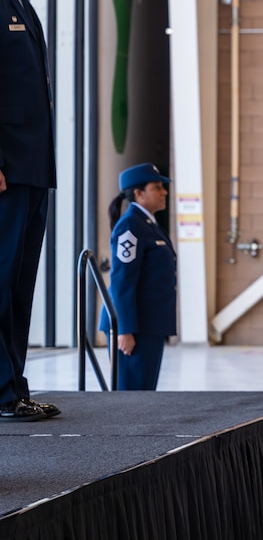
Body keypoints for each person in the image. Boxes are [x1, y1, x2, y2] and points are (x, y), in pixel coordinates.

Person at [0, 0, 58, 422]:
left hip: (31, 170)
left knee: (19, 284)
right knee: (0, 281)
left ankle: (12, 388)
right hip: (6, 171)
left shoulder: (20, 3)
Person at [99, 163, 177, 390]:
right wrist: (124, 329)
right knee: (132, 396)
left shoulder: (148, 224)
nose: (164, 192)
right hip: (134, 327)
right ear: (138, 193)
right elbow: (122, 282)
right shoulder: (130, 227)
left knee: (144, 393)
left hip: (148, 324)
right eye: (157, 187)